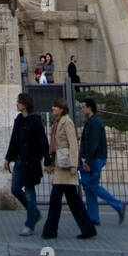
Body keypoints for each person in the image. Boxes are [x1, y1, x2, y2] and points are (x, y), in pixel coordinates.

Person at [41, 99, 97, 240]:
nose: (53, 109)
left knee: (57, 199)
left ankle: (50, 231)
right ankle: (88, 229)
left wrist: (73, 165)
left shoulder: (67, 122)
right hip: (61, 165)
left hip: (66, 166)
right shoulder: (58, 122)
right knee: (72, 200)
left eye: (55, 107)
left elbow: (73, 144)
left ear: (62, 109)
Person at [4, 92, 50, 235]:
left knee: (30, 192)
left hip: (31, 162)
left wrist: (47, 160)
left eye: (19, 102)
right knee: (15, 189)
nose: (17, 104)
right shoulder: (19, 119)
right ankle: (35, 212)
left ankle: (30, 224)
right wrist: (8, 158)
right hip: (19, 160)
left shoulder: (35, 121)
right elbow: (14, 140)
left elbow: (43, 141)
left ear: (25, 104)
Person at [79, 98, 126, 225]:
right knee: (89, 187)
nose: (82, 109)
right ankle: (93, 217)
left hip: (95, 159)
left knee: (92, 185)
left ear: (89, 107)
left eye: (83, 106)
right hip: (94, 158)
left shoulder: (94, 122)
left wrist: (87, 160)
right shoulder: (92, 121)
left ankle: (118, 205)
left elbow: (94, 143)